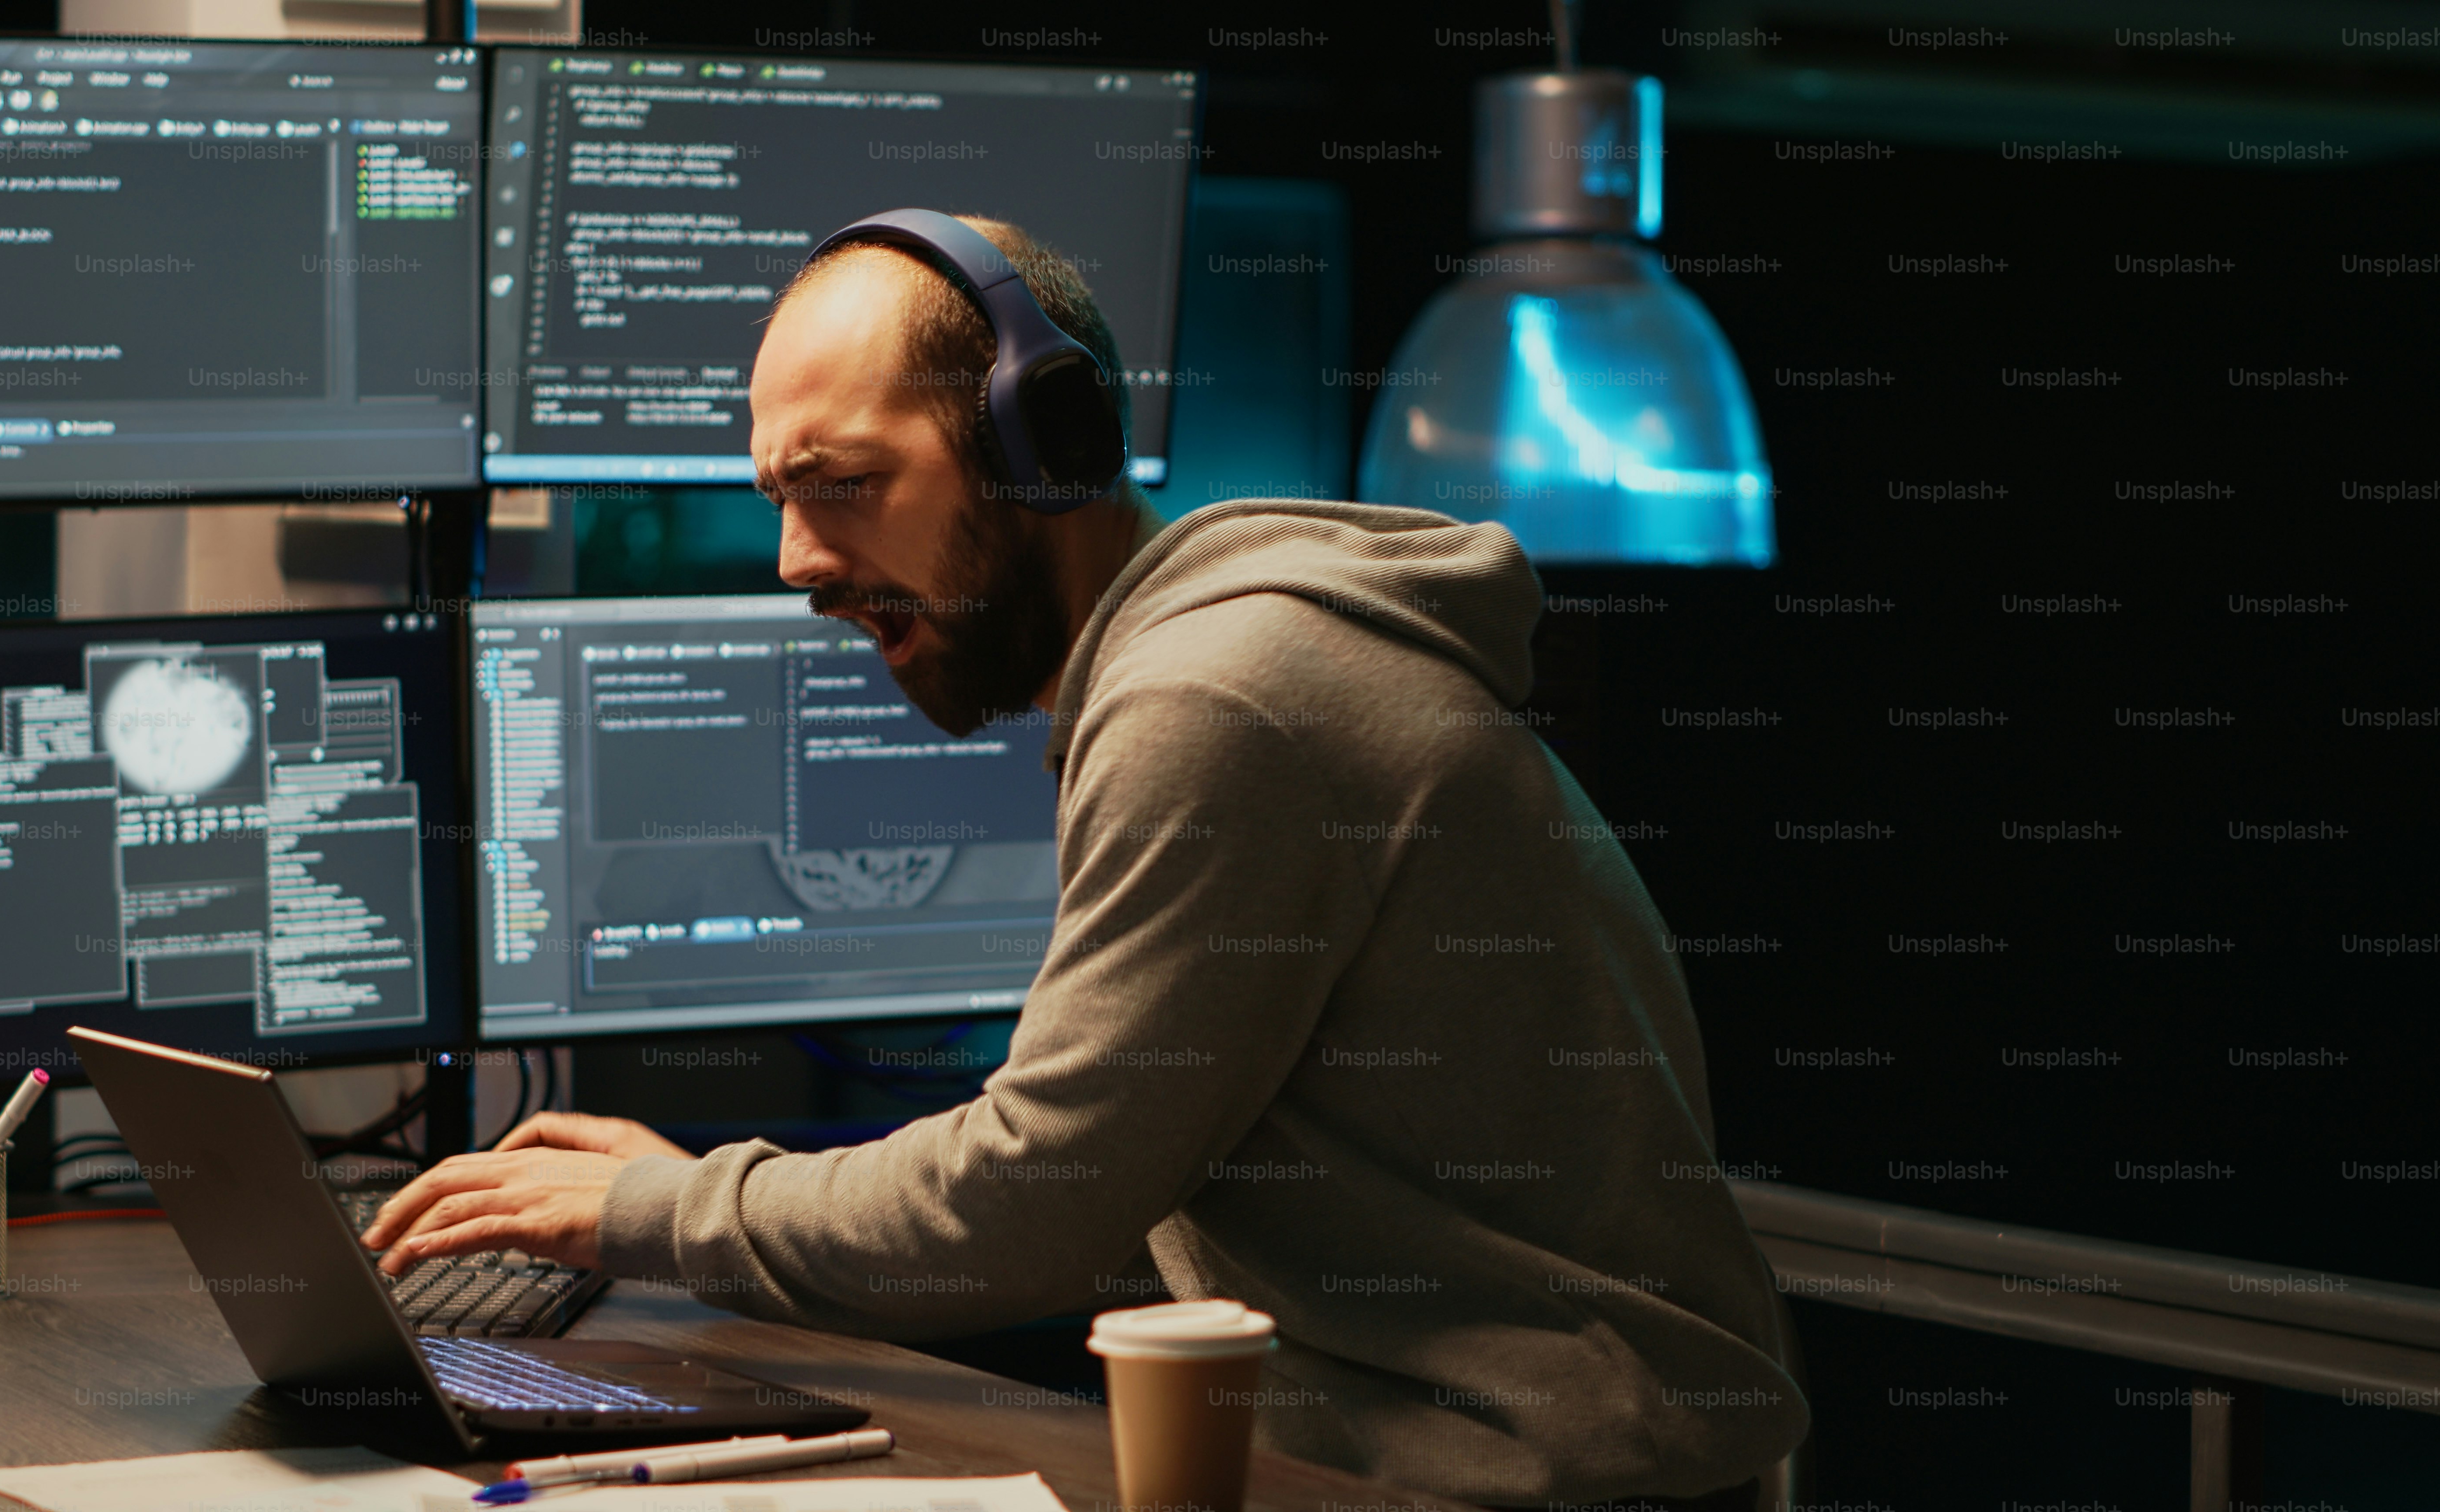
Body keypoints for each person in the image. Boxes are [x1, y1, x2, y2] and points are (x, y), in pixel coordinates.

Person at [364, 213, 1808, 1507]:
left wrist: (665, 1214)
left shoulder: (1216, 698)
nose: (798, 561)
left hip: (1559, 1483)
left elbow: (1034, 1199)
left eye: (848, 483)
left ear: (1037, 447)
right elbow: (1115, 1177)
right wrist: (699, 1205)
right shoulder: (1218, 656)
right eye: (778, 498)